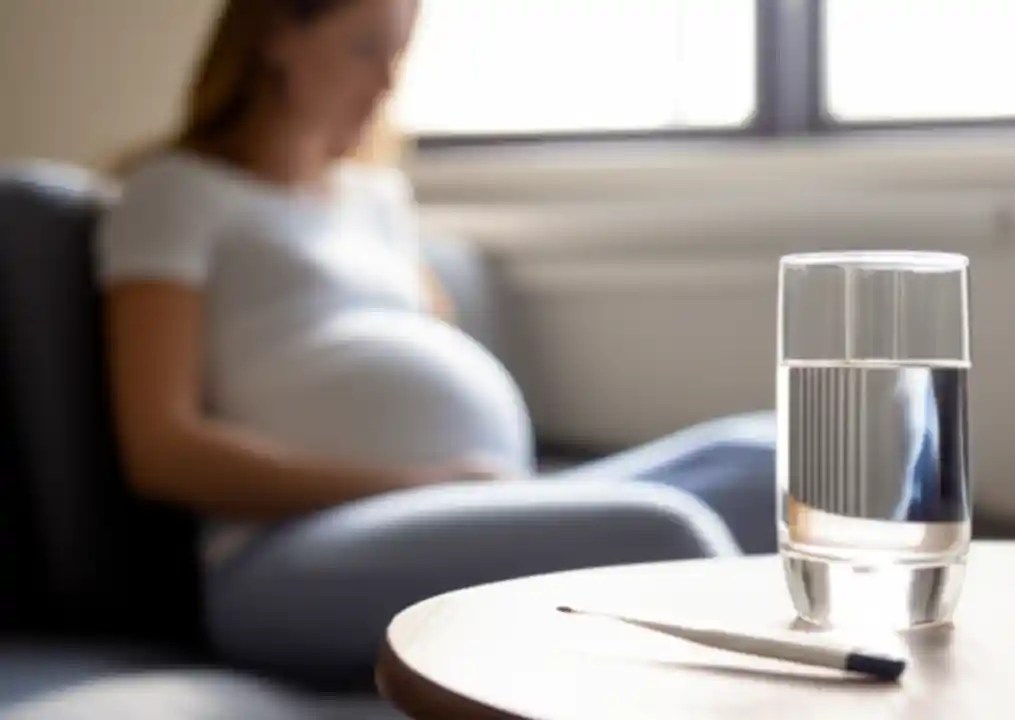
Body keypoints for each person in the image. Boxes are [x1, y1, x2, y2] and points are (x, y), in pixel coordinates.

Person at [98, 0, 774, 684]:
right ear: (278, 38)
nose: (388, 84)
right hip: (284, 554)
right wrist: (415, 484)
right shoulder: (175, 193)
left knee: (772, 462)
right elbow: (162, 451)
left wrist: (473, 483)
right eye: (366, 49)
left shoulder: (376, 201)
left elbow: (425, 368)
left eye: (399, 56)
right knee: (663, 536)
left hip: (468, 500)